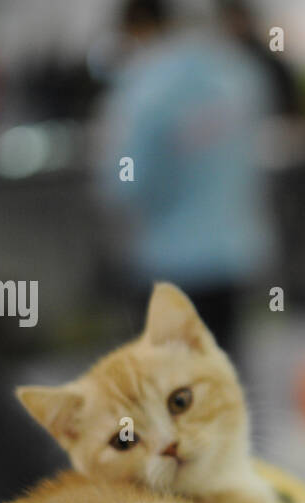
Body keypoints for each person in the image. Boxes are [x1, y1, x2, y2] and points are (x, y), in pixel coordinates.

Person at [98, 0, 275, 361]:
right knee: (224, 372)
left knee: (173, 387)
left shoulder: (145, 86)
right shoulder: (240, 73)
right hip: (234, 254)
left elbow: (124, 183)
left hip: (168, 260)